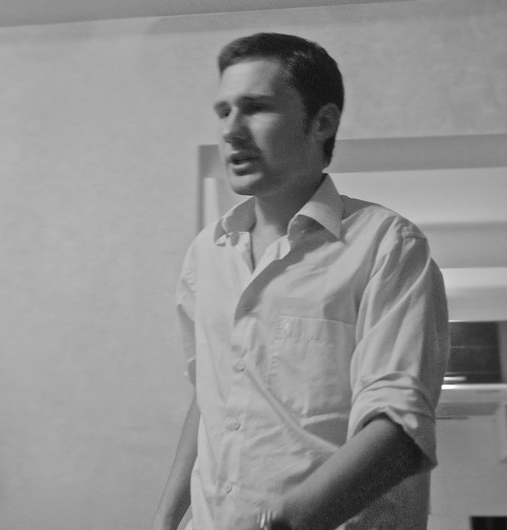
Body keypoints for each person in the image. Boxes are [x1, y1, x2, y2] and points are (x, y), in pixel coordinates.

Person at [153, 32, 449, 530]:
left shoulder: (387, 245)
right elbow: (212, 395)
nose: (231, 131)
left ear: (322, 122)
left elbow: (399, 430)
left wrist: (286, 521)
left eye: (255, 108)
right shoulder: (207, 253)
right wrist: (164, 519)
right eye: (224, 111)